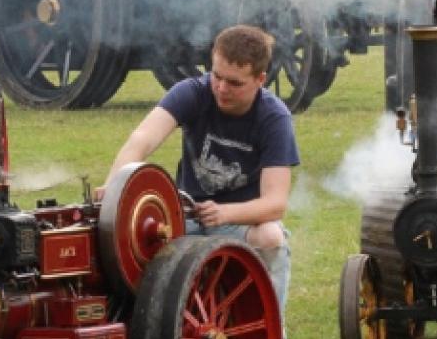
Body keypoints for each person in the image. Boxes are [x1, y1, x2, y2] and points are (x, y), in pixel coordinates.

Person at [98, 25, 298, 326]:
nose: (221, 88)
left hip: (236, 222)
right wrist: (115, 186)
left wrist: (225, 213)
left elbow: (275, 204)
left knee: (271, 236)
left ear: (260, 79)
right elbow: (141, 141)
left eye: (234, 83)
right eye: (216, 76)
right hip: (183, 218)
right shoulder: (192, 92)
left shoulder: (274, 118)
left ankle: (269, 328)